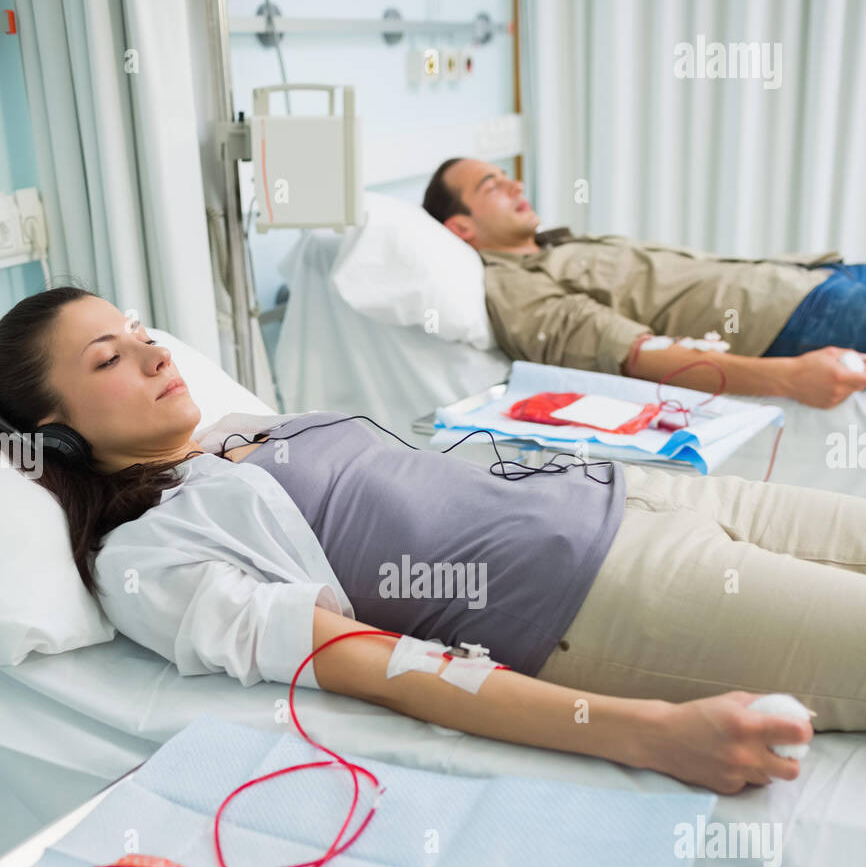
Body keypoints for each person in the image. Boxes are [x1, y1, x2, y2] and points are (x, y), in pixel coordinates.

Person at [10, 287, 866, 798]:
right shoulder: (149, 556)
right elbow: (374, 661)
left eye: (138, 331)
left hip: (643, 492)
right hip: (611, 598)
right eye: (107, 357)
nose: (152, 351)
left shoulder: (237, 428)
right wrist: (649, 734)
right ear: (55, 436)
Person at [422, 157, 866, 410]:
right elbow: (631, 354)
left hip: (810, 275)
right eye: (491, 185)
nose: (515, 184)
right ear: (461, 227)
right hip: (790, 317)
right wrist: (787, 379)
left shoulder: (553, 246)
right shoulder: (513, 287)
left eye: (506, 176)